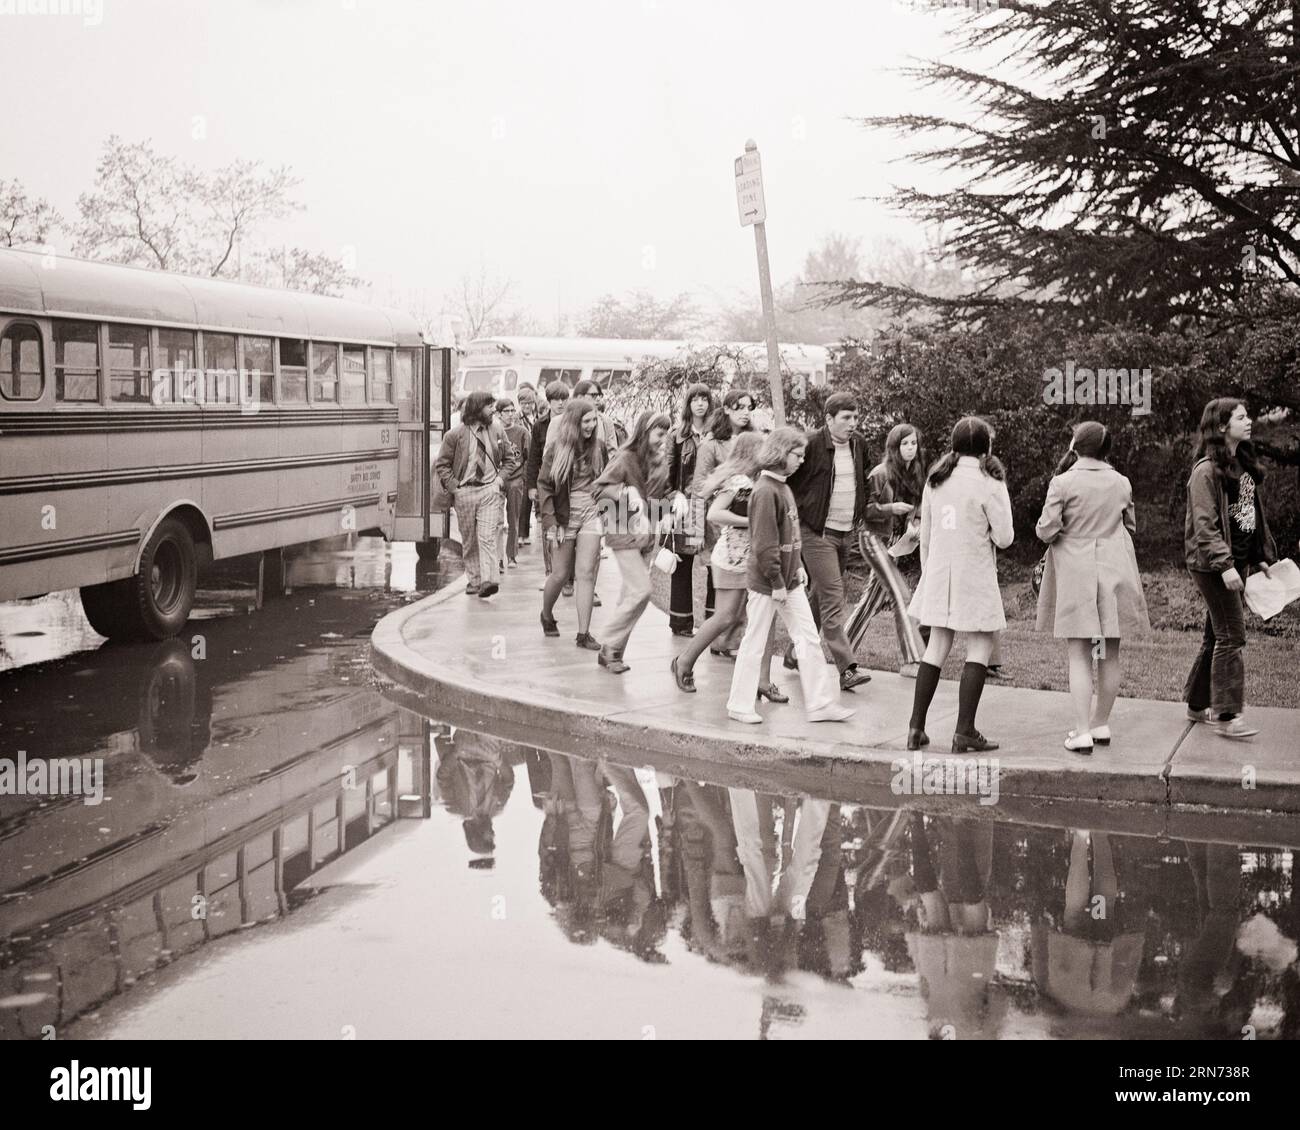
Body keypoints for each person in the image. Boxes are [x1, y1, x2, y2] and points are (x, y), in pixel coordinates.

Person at [725, 426, 855, 725]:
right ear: (781, 454)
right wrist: (777, 582)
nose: (801, 461)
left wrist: (796, 567)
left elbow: (790, 535)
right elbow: (764, 544)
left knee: (808, 638)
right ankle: (739, 704)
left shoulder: (783, 486)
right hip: (769, 583)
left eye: (802, 455)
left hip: (788, 580)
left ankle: (821, 703)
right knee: (754, 641)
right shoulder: (765, 490)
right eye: (797, 455)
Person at [1035, 421, 1151, 752]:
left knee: (1079, 654)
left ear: (1076, 444)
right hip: (1115, 570)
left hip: (1077, 573)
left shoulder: (1062, 482)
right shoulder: (1122, 482)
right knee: (1109, 653)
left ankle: (1082, 731)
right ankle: (1101, 724)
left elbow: (1046, 530)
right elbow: (1130, 524)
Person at [905, 417, 1013, 752]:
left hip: (939, 570)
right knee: (979, 648)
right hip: (974, 573)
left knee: (936, 648)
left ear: (953, 445)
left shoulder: (937, 479)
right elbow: (1006, 537)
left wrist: (929, 573)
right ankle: (964, 730)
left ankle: (915, 728)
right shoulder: (990, 482)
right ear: (987, 448)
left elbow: (927, 532)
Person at [1182, 399, 1279, 740]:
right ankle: (1227, 715)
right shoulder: (1205, 471)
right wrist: (1225, 566)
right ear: (1221, 426)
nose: (1249, 421)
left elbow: (1249, 516)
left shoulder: (1241, 464)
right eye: (1241, 417)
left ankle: (1197, 704)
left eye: (1247, 415)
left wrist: (1260, 555)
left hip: (1236, 561)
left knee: (1216, 635)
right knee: (1232, 635)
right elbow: (1205, 527)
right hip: (1212, 565)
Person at [671, 432, 781, 698]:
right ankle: (684, 661)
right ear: (751, 453)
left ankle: (762, 681)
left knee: (764, 618)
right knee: (726, 616)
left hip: (754, 557)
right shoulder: (740, 482)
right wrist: (753, 520)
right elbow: (715, 513)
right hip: (733, 557)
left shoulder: (760, 481)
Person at [783, 392, 874, 692]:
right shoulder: (809, 445)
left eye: (855, 417)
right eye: (846, 418)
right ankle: (847, 668)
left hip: (845, 532)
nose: (852, 424)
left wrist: (866, 511)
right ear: (828, 419)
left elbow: (864, 482)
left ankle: (795, 652)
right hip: (816, 533)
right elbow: (787, 482)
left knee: (821, 593)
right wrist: (795, 521)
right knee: (834, 596)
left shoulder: (859, 445)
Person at [592, 409, 682, 674]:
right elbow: (598, 489)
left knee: (631, 595)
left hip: (646, 533)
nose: (664, 439)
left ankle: (611, 653)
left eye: (666, 433)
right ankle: (608, 637)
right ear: (644, 431)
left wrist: (674, 499)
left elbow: (659, 495)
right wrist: (624, 491)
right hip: (622, 530)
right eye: (659, 433)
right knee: (642, 591)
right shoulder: (625, 457)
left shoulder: (661, 461)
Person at [848, 422, 928, 678]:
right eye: (905, 443)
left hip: (896, 543)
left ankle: (841, 652)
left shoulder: (915, 474)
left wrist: (914, 527)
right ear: (894, 446)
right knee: (902, 595)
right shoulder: (880, 473)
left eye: (913, 443)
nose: (910, 448)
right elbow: (863, 510)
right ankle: (912, 661)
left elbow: (916, 511)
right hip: (872, 538)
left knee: (870, 603)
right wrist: (890, 509)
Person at [537, 397, 609, 650]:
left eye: (593, 420)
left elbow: (606, 480)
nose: (590, 426)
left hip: (591, 513)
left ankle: (583, 633)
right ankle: (546, 614)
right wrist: (551, 522)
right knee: (560, 574)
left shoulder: (598, 447)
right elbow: (544, 485)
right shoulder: (558, 448)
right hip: (564, 515)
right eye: (586, 421)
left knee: (586, 574)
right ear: (574, 422)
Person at [432, 389, 519, 599]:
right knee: (470, 539)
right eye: (489, 406)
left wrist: (500, 480)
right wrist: (455, 487)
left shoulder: (497, 430)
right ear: (477, 408)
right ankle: (474, 579)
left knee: (487, 535)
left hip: (490, 489)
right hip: (466, 491)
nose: (493, 410)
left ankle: (489, 580)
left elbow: (509, 459)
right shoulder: (454, 435)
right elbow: (442, 464)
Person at [692, 388, 758, 646]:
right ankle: (717, 639)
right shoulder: (711, 445)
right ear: (727, 409)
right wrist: (697, 530)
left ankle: (728, 642)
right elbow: (699, 489)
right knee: (721, 590)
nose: (745, 412)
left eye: (748, 407)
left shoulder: (753, 439)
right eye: (739, 407)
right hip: (718, 523)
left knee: (741, 595)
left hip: (746, 527)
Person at [667, 383, 717, 637]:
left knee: (715, 564)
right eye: (695, 399)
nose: (700, 403)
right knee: (682, 563)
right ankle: (681, 622)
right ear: (688, 404)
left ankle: (713, 623)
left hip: (713, 505)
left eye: (704, 398)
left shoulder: (716, 433)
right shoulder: (677, 435)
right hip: (686, 506)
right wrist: (674, 495)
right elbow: (667, 475)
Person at [526, 381, 570, 587]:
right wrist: (532, 486)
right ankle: (549, 572)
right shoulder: (539, 426)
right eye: (556, 399)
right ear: (549, 401)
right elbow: (533, 458)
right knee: (547, 527)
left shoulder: (571, 422)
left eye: (564, 399)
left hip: (566, 484)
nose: (561, 403)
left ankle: (566, 575)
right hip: (546, 481)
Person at [496, 398, 530, 569]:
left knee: (513, 519)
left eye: (512, 410)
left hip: (516, 480)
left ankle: (512, 555)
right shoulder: (494, 431)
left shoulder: (522, 432)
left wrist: (523, 478)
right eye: (506, 411)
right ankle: (499, 558)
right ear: (498, 414)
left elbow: (528, 457)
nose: (510, 414)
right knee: (497, 521)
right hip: (498, 479)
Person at [515, 384, 540, 544]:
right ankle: (520, 534)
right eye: (524, 403)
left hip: (536, 460)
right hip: (523, 462)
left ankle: (525, 534)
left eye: (530, 403)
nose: (527, 406)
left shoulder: (537, 418)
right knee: (522, 499)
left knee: (531, 497)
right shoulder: (517, 418)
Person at [572, 378, 625, 450]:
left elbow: (612, 451)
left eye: (600, 395)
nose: (598, 399)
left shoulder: (606, 421)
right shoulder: (559, 421)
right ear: (580, 397)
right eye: (594, 395)